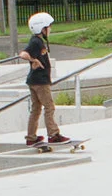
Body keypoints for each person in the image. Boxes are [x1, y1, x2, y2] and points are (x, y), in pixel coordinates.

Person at [23, 11, 74, 147]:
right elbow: (23, 54)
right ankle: (53, 135)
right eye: (48, 27)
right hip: (40, 82)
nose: (50, 29)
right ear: (42, 28)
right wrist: (34, 60)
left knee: (36, 109)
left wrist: (34, 60)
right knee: (49, 107)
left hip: (34, 80)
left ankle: (31, 137)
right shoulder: (36, 42)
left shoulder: (37, 41)